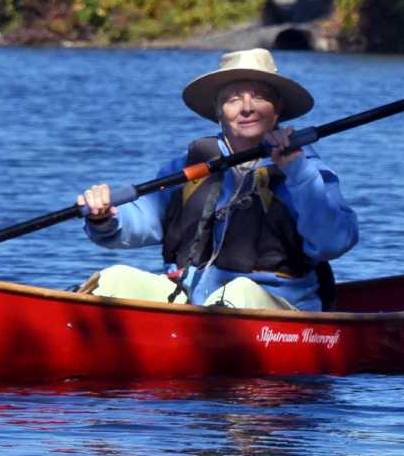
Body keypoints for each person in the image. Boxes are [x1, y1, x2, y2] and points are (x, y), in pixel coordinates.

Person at [76, 48, 358, 311]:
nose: (247, 108)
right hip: (191, 301)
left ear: (278, 108)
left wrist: (297, 171)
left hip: (277, 310)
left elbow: (334, 242)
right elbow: (141, 218)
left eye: (259, 97)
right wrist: (105, 217)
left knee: (235, 292)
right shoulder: (190, 167)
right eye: (233, 99)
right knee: (112, 280)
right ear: (218, 112)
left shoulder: (307, 170)